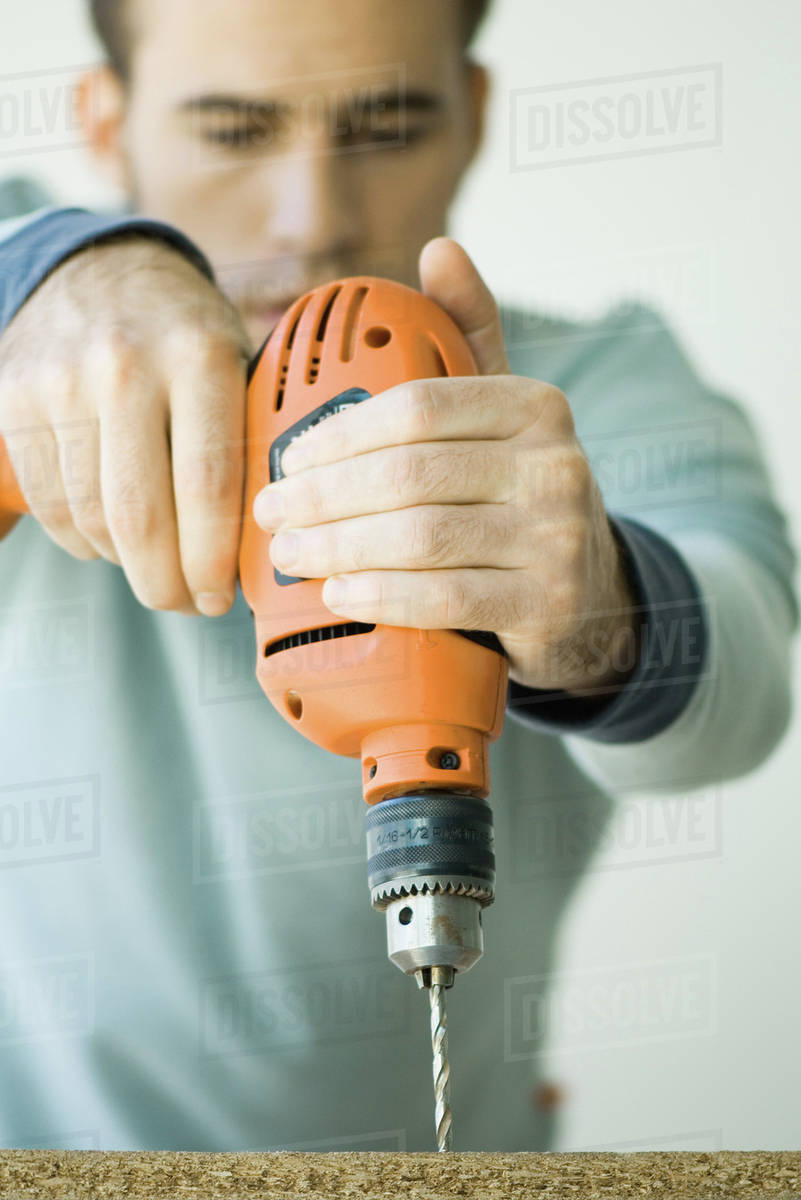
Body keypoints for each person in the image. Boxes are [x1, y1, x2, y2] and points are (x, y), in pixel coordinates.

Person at [0, 0, 795, 1153]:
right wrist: (51, 272)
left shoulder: (601, 385)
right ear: (108, 125)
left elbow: (747, 681)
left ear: (470, 118)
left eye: (385, 124)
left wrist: (597, 612)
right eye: (232, 130)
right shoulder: (39, 345)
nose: (313, 217)